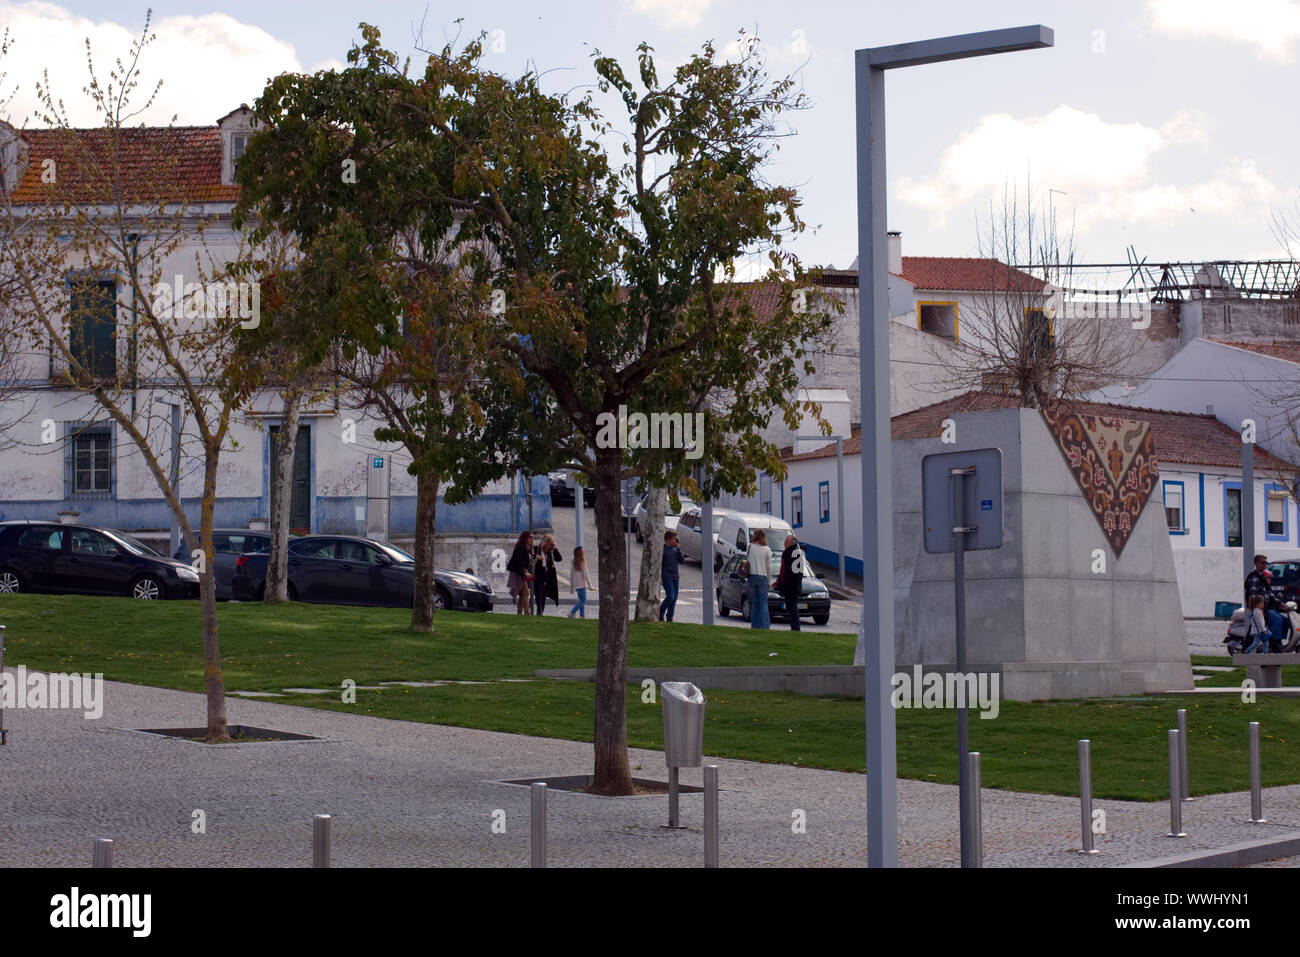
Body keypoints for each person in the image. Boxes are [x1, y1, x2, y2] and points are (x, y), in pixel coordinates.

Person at [775, 533, 805, 631]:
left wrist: (779, 582)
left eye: (786, 542)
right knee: (793, 607)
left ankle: (795, 628)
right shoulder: (799, 552)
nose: (784, 543)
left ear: (791, 543)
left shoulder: (787, 552)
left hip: (789, 584)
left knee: (791, 607)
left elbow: (783, 569)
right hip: (797, 584)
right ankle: (795, 627)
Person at [745, 529, 772, 629]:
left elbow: (747, 560)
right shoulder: (767, 549)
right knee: (763, 602)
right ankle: (765, 626)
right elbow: (768, 567)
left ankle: (755, 625)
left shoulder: (750, 547)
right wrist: (769, 581)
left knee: (754, 602)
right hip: (762, 577)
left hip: (751, 576)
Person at [532, 533, 563, 615]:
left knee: (544, 594)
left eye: (550, 546)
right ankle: (539, 610)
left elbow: (559, 559)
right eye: (547, 546)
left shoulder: (551, 552)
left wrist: (555, 549)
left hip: (548, 576)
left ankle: (541, 610)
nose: (548, 548)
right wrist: (536, 558)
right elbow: (531, 562)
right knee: (538, 592)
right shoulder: (536, 549)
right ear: (544, 544)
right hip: (538, 574)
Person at [506, 530, 535, 615]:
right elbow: (519, 562)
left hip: (522, 573)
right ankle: (527, 613)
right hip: (518, 573)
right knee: (526, 592)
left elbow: (528, 563)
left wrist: (532, 555)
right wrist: (525, 572)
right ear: (525, 538)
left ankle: (519, 612)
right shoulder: (520, 548)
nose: (532, 539)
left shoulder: (527, 548)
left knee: (523, 594)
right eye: (530, 537)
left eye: (532, 537)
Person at [659, 530, 686, 622]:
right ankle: (661, 611)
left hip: (675, 576)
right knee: (670, 595)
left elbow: (682, 561)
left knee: (674, 598)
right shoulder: (662, 549)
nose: (676, 541)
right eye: (674, 539)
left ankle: (670, 617)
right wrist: (660, 578)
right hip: (666, 576)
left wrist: (679, 549)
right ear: (668, 539)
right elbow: (659, 565)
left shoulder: (675, 550)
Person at [568, 546, 590, 619]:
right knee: (583, 601)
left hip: (577, 586)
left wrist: (571, 587)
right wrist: (590, 586)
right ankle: (572, 612)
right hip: (582, 585)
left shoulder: (573, 562)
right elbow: (586, 575)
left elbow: (571, 575)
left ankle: (582, 615)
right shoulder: (583, 563)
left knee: (581, 601)